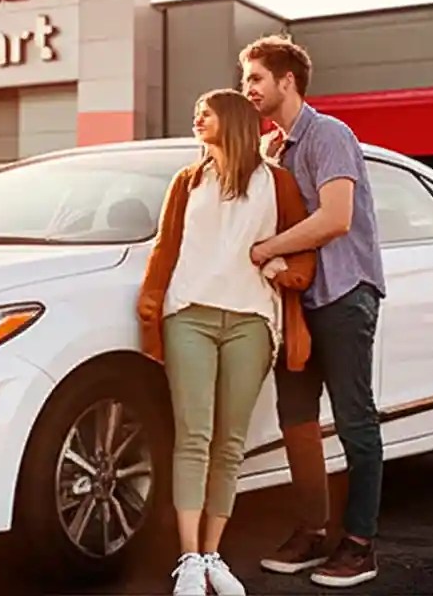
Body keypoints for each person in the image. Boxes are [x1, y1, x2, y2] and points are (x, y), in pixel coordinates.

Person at [137, 89, 316, 596]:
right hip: (188, 315)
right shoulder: (188, 181)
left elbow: (303, 244)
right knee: (194, 435)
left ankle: (214, 554)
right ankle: (189, 560)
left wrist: (284, 267)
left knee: (229, 444)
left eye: (207, 111)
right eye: (196, 110)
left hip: (251, 322)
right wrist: (152, 305)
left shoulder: (275, 183)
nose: (198, 117)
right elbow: (164, 247)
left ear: (234, 121)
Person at [241, 35, 387, 589]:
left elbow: (336, 218)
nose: (248, 89)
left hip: (346, 294)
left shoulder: (330, 136)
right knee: (297, 421)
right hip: (298, 305)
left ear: (287, 81)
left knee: (354, 419)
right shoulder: (273, 151)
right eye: (244, 80)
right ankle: (311, 531)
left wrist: (266, 250)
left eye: (256, 78)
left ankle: (359, 544)